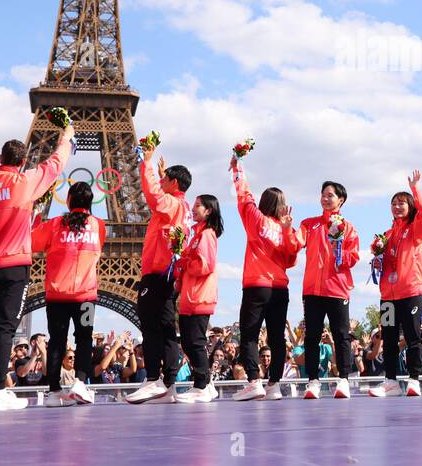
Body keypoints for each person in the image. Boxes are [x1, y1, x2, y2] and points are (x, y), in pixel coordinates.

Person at [0, 124, 74, 412]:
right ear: (22, 162)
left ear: (0, 157)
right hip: (14, 266)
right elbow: (55, 164)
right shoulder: (25, 182)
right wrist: (67, 138)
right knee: (5, 328)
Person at [126, 141, 192, 404]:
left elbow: (152, 195)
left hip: (156, 272)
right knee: (165, 329)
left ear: (174, 184)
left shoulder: (171, 204)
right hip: (169, 274)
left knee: (150, 324)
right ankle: (169, 384)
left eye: (166, 179)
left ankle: (153, 378)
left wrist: (147, 163)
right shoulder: (183, 207)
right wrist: (162, 174)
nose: (162, 182)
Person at [231, 154, 300, 401]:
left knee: (249, 335)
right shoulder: (286, 228)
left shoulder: (256, 219)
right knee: (276, 336)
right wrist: (288, 229)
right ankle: (274, 385)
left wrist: (237, 169)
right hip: (280, 287)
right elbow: (291, 259)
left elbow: (243, 196)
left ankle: (253, 381)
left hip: (256, 284)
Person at [31, 180, 102, 408]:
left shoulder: (54, 225)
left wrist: (36, 218)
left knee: (57, 342)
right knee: (84, 339)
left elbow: (32, 242)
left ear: (68, 200)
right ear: (91, 202)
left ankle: (53, 391)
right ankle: (81, 383)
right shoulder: (98, 225)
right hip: (86, 298)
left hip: (57, 297)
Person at [368, 171, 422, 398]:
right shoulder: (386, 234)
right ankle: (391, 381)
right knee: (390, 339)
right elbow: (381, 259)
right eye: (393, 203)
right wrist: (377, 259)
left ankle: (414, 379)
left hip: (410, 292)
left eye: (401, 203)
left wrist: (415, 188)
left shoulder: (416, 228)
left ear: (410, 206)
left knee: (414, 338)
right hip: (388, 296)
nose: (396, 207)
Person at [294, 182, 360, 399]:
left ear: (340, 200)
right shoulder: (309, 224)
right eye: (323, 194)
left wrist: (337, 247)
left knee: (342, 336)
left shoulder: (348, 228)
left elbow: (353, 259)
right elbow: (295, 243)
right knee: (311, 336)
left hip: (337, 289)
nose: (325, 198)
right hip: (312, 289)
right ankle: (313, 381)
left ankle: (344, 379)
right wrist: (287, 228)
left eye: (330, 195)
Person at [172, 194, 224, 403]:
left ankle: (201, 385)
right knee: (187, 341)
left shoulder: (207, 235)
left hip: (200, 296)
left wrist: (184, 263)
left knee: (195, 342)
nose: (193, 209)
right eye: (192, 205)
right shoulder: (195, 235)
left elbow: (205, 265)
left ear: (208, 210)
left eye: (198, 206)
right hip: (190, 296)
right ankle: (206, 383)